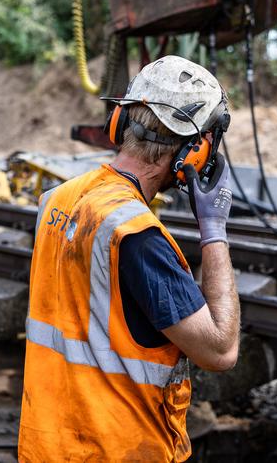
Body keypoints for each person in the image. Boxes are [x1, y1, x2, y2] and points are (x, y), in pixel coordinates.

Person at [18, 56, 242, 462]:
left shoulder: (58, 199)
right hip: (113, 449)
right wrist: (214, 231)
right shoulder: (137, 236)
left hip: (47, 445)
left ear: (119, 121)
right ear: (194, 152)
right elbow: (220, 351)